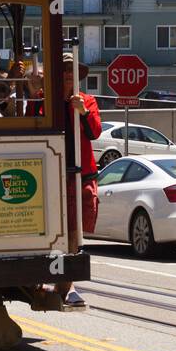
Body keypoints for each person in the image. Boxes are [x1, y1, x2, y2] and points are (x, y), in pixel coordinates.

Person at [58, 52, 101, 309]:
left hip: (79, 173)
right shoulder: (45, 101)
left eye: (71, 74)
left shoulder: (88, 100)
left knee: (75, 228)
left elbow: (95, 132)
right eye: (64, 74)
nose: (68, 79)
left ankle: (69, 283)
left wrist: (83, 112)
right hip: (54, 171)